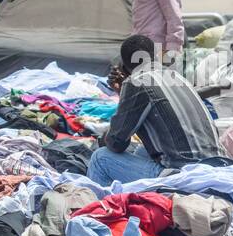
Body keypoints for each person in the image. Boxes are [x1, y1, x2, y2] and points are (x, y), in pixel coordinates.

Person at [87, 35, 219, 184]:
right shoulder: (177, 77)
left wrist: (124, 88)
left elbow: (116, 143)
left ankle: (103, 207)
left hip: (183, 173)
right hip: (214, 165)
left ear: (124, 66)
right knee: (140, 151)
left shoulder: (136, 81)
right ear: (155, 56)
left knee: (100, 158)